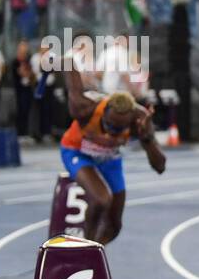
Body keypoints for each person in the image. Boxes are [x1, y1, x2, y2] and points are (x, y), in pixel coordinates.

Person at [60, 66, 166, 245]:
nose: (111, 133)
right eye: (108, 125)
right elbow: (70, 69)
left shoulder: (139, 120)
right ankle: (87, 247)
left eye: (118, 129)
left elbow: (160, 167)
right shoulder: (86, 107)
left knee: (115, 224)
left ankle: (97, 249)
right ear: (105, 109)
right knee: (101, 199)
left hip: (109, 158)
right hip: (77, 151)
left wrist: (146, 138)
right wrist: (56, 60)